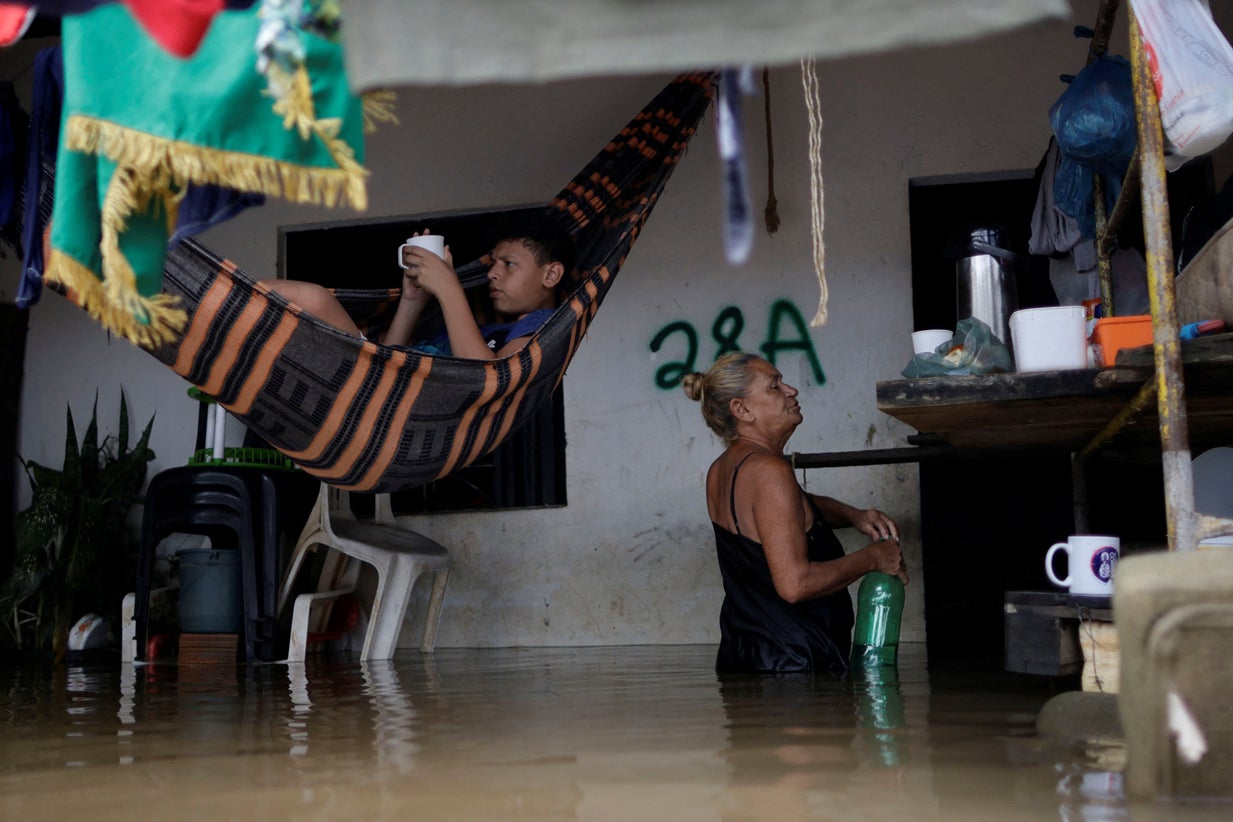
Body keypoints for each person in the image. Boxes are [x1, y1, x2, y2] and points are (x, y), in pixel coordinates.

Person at [681, 352, 908, 674]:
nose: (791, 391)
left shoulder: (724, 468)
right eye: (774, 386)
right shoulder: (770, 472)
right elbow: (795, 585)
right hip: (794, 662)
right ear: (742, 409)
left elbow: (788, 511)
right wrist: (874, 558)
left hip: (745, 653)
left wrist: (854, 515)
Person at [262, 214, 574, 359]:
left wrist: (449, 288)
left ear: (551, 275)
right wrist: (413, 301)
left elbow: (489, 379)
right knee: (301, 306)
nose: (492, 273)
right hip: (384, 381)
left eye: (509, 264)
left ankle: (215, 286)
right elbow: (391, 355)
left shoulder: (542, 327)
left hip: (382, 386)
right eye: (492, 263)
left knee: (311, 297)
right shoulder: (491, 332)